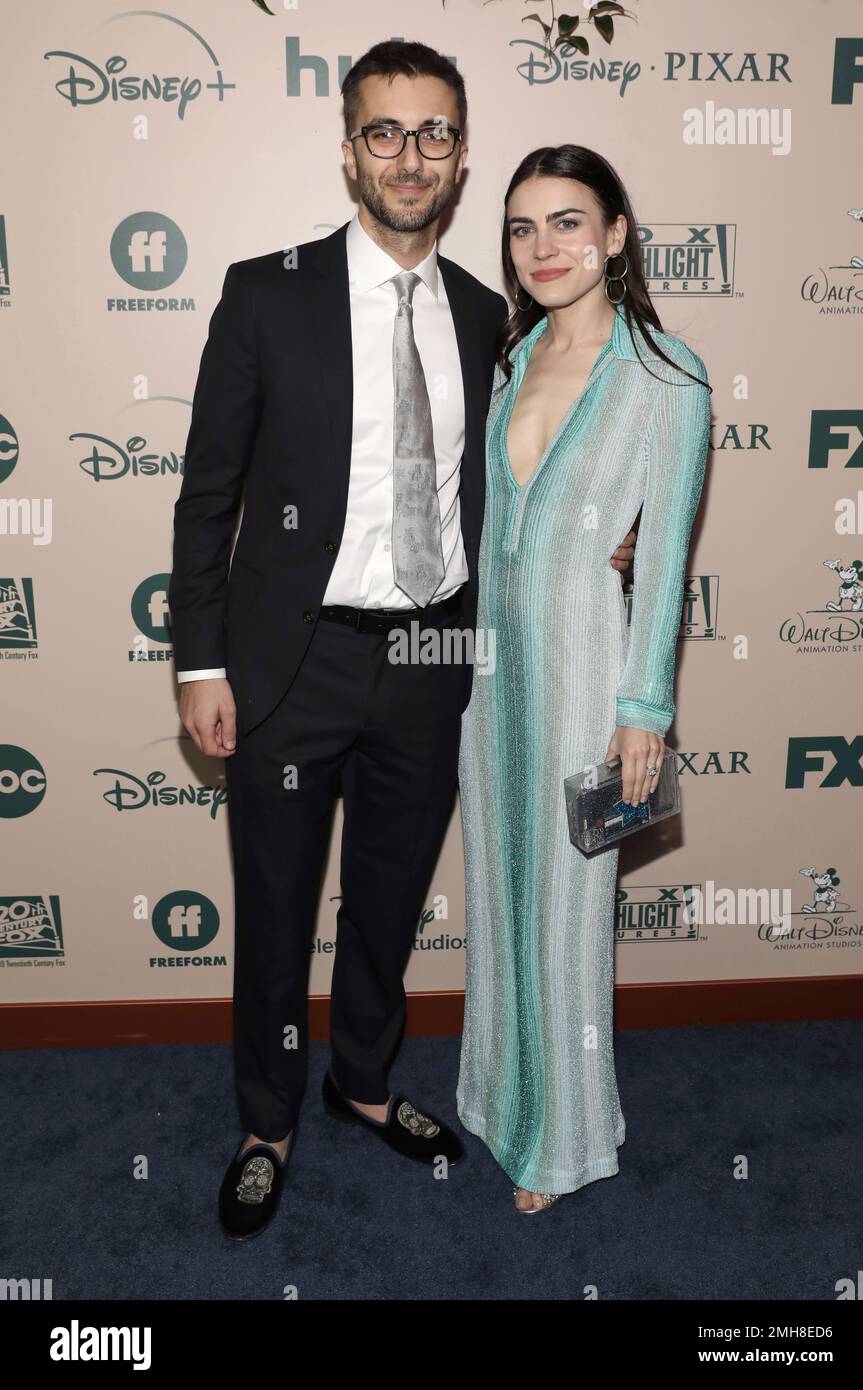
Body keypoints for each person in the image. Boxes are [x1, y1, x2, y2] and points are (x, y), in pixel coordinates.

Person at [168, 41, 637, 1241]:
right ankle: (267, 1120)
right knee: (275, 909)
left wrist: (604, 545)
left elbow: (533, 476)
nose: (410, 156)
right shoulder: (264, 292)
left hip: (435, 659)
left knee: (385, 901)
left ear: (462, 152)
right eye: (385, 132)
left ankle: (364, 1084)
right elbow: (208, 492)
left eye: (434, 133)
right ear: (348, 149)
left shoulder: (495, 317)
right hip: (290, 663)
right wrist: (199, 661)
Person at [456, 144, 712, 1213]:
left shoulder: (667, 376)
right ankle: (492, 1094)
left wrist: (642, 709)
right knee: (496, 900)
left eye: (567, 222)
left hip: (585, 682)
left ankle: (564, 1138)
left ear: (615, 234)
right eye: (521, 227)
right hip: (484, 683)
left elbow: (661, 563)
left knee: (565, 922)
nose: (542, 247)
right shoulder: (510, 361)